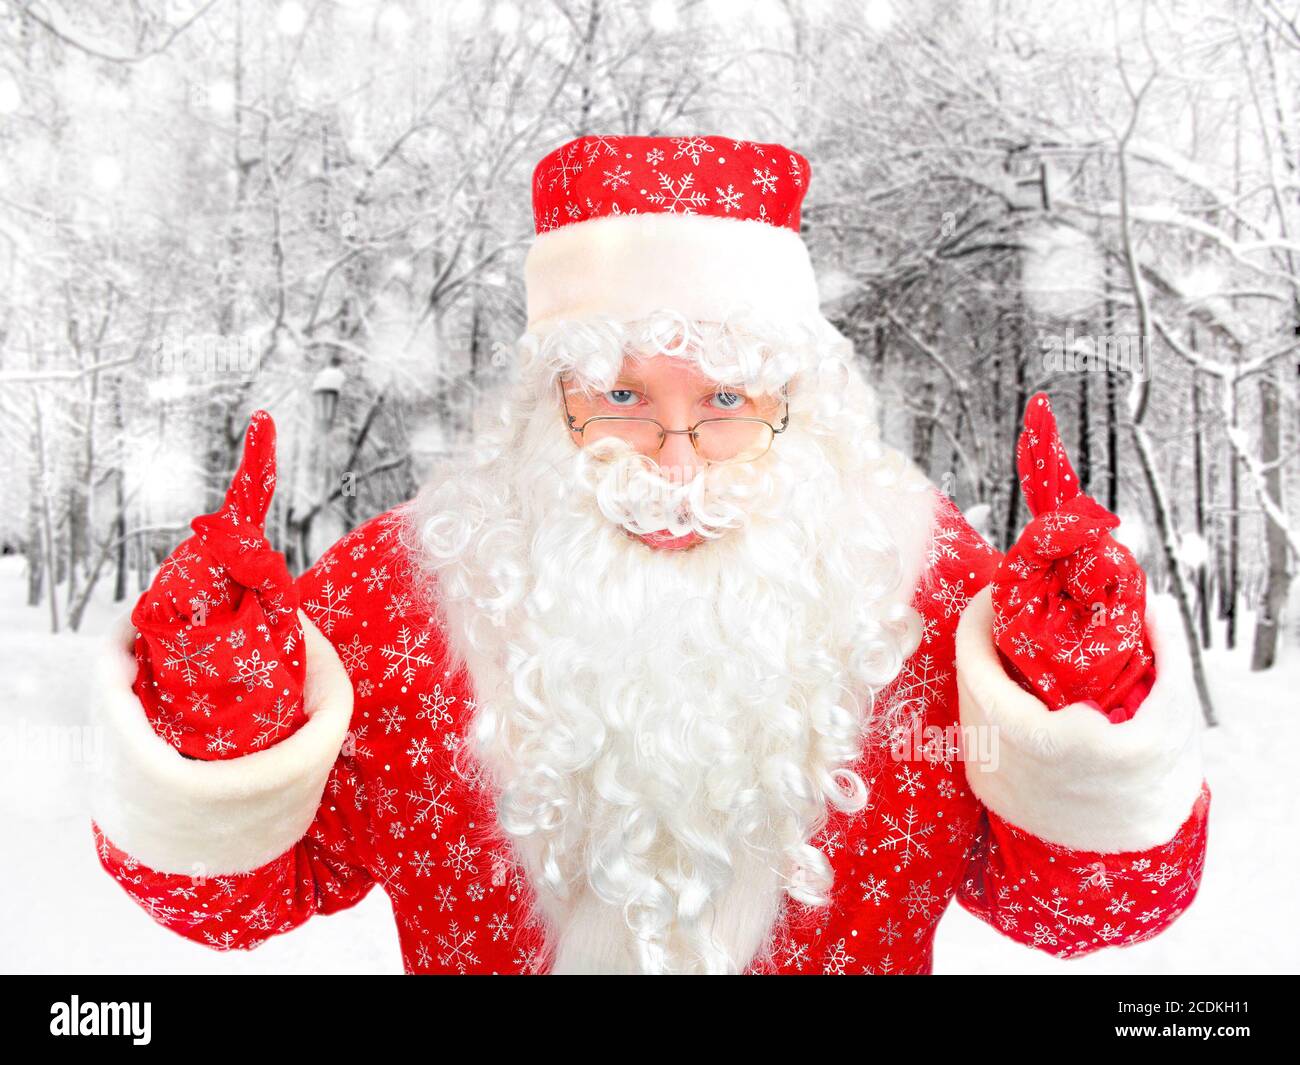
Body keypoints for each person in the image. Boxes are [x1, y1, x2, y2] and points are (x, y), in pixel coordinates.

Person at [89, 134, 1209, 975]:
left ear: (796, 405)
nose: (675, 459)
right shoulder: (397, 592)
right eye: (621, 395)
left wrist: (1085, 681)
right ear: (546, 397)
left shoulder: (928, 582)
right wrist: (215, 694)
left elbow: (1094, 910)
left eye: (725, 400)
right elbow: (239, 901)